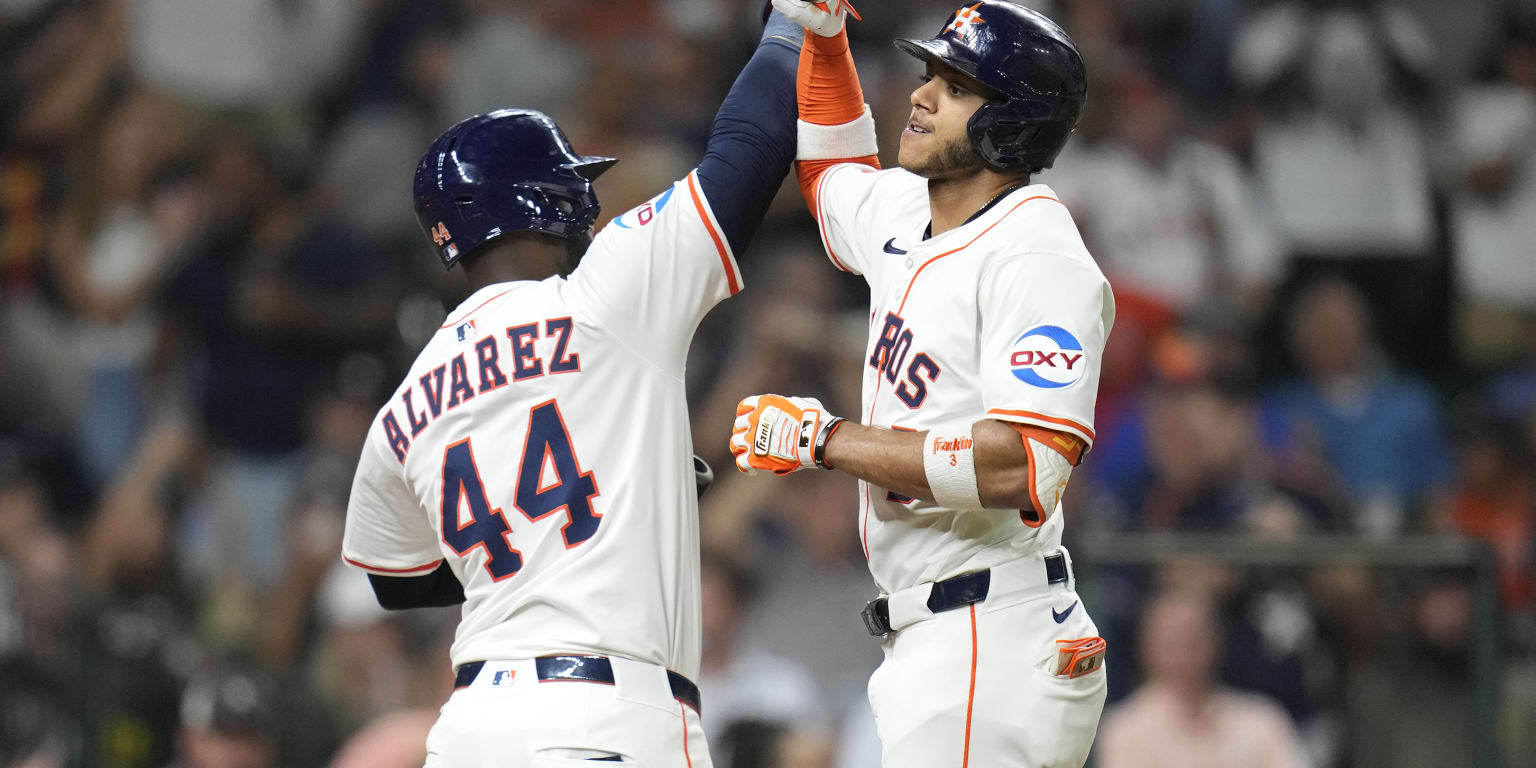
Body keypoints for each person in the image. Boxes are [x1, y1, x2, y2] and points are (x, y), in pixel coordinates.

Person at [339, 6, 821, 764]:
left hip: (470, 729)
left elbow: (398, 584)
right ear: (549, 201)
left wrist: (624, 496)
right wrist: (790, 28)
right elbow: (750, 151)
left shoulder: (402, 407)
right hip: (604, 720)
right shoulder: (603, 295)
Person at [732, 2, 1110, 766]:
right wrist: (828, 41)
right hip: (941, 640)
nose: (922, 96)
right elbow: (834, 177)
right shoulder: (915, 210)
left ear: (1016, 120)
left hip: (990, 635)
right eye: (930, 73)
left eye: (958, 86)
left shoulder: (1038, 256)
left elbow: (1024, 463)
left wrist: (826, 440)